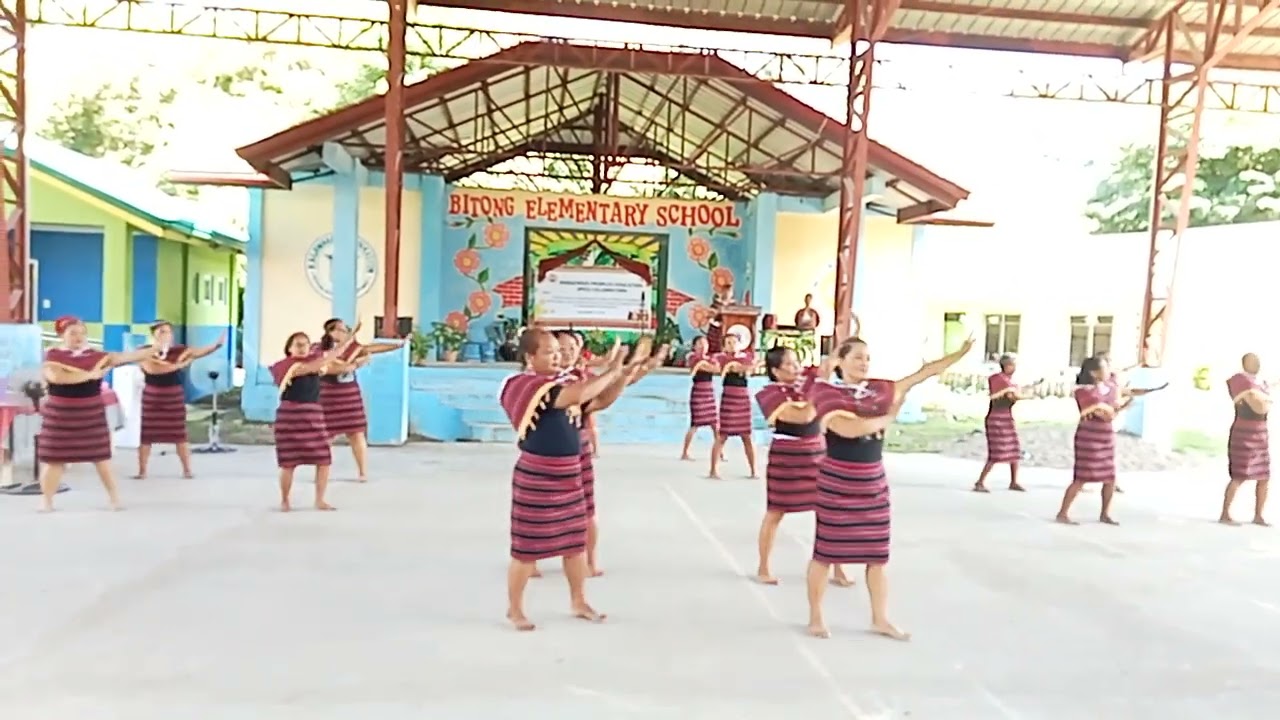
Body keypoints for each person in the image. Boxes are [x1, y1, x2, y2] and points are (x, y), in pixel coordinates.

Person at [806, 334, 974, 640]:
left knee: (877, 555)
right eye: (857, 356)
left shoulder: (878, 389)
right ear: (840, 361)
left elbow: (922, 375)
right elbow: (848, 428)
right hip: (838, 480)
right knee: (825, 552)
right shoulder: (825, 391)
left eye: (867, 357)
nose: (864, 363)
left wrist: (959, 353)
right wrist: (889, 418)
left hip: (872, 480)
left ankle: (880, 618)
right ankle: (816, 617)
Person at [500, 330, 628, 631]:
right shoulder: (527, 385)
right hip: (537, 475)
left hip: (568, 472)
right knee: (525, 549)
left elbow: (597, 401)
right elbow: (581, 394)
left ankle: (578, 600)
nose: (556, 357)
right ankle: (515, 609)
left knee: (574, 543)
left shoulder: (561, 385)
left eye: (558, 351)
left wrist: (623, 373)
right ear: (529, 357)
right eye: (548, 352)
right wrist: (612, 368)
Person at [39, 315, 158, 512]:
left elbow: (127, 357)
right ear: (62, 335)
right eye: (73, 333)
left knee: (101, 458)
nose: (78, 337)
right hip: (60, 414)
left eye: (82, 333)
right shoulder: (52, 355)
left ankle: (114, 499)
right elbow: (57, 377)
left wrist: (155, 347)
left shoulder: (96, 356)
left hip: (90, 412)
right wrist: (90, 375)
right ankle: (46, 501)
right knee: (54, 460)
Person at [753, 346, 851, 587]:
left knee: (829, 510)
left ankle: (838, 567)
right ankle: (763, 566)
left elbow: (828, 364)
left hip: (817, 452)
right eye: (788, 363)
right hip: (787, 458)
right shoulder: (769, 394)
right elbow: (804, 416)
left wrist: (841, 345)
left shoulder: (807, 380)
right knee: (776, 511)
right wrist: (818, 387)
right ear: (775, 371)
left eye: (796, 361)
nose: (795, 366)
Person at [270, 326, 360, 512]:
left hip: (313, 415)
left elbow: (337, 364)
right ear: (290, 349)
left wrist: (355, 357)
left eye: (306, 345)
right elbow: (323, 361)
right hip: (290, 416)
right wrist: (346, 341)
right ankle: (285, 500)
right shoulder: (289, 366)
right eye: (298, 345)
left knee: (324, 459)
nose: (303, 348)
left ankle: (320, 500)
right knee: (288, 462)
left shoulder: (317, 364)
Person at [134, 321, 226, 480]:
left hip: (173, 395)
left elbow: (198, 352)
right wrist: (180, 364)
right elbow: (153, 369)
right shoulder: (143, 352)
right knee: (146, 435)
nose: (165, 335)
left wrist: (216, 345)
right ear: (153, 335)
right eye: (161, 332)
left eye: (168, 332)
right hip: (152, 397)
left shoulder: (179, 351)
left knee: (179, 435)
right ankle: (142, 471)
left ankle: (187, 470)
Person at [317, 317, 403, 482]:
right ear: (330, 331)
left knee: (356, 433)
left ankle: (362, 472)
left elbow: (372, 349)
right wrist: (354, 364)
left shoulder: (354, 348)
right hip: (328, 395)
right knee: (325, 435)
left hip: (349, 395)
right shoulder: (320, 349)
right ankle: (322, 472)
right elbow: (333, 367)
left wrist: (398, 344)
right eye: (340, 330)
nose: (343, 333)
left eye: (346, 330)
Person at [1055, 355, 1130, 525]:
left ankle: (1105, 513)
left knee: (1110, 477)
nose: (1108, 372)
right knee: (1081, 477)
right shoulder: (1084, 391)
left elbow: (1112, 412)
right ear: (1094, 373)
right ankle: (1063, 513)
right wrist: (1115, 408)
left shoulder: (1108, 388)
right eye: (1105, 369)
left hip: (1106, 435)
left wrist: (1124, 404)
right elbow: (1103, 413)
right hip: (1088, 437)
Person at [1222, 353, 1270, 526]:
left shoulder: (1259, 383)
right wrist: (1260, 397)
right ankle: (1225, 513)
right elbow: (1258, 405)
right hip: (1244, 430)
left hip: (1260, 432)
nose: (1255, 363)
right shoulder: (1240, 381)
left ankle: (1258, 515)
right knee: (1240, 474)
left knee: (1263, 476)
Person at [973, 354, 1032, 493]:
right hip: (996, 419)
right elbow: (1012, 396)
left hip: (1006, 417)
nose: (1014, 368)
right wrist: (1026, 395)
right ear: (1005, 366)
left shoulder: (1008, 382)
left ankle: (1014, 481)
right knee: (996, 453)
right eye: (1011, 365)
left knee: (1014, 450)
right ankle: (980, 482)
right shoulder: (999, 380)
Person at [709, 332, 757, 479]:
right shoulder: (722, 359)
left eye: (734, 342)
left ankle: (753, 470)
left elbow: (751, 367)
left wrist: (750, 366)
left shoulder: (746, 357)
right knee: (722, 435)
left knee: (747, 437)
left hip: (743, 398)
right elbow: (736, 368)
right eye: (728, 342)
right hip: (729, 398)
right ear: (724, 346)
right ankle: (713, 470)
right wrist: (742, 367)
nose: (732, 345)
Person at [681, 335, 719, 460]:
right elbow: (702, 367)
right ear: (694, 346)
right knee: (695, 423)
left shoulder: (711, 358)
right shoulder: (692, 357)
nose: (703, 346)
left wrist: (706, 364)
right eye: (700, 344)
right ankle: (685, 452)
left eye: (705, 344)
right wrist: (705, 365)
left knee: (715, 424)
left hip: (709, 392)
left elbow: (716, 369)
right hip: (698, 391)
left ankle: (719, 451)